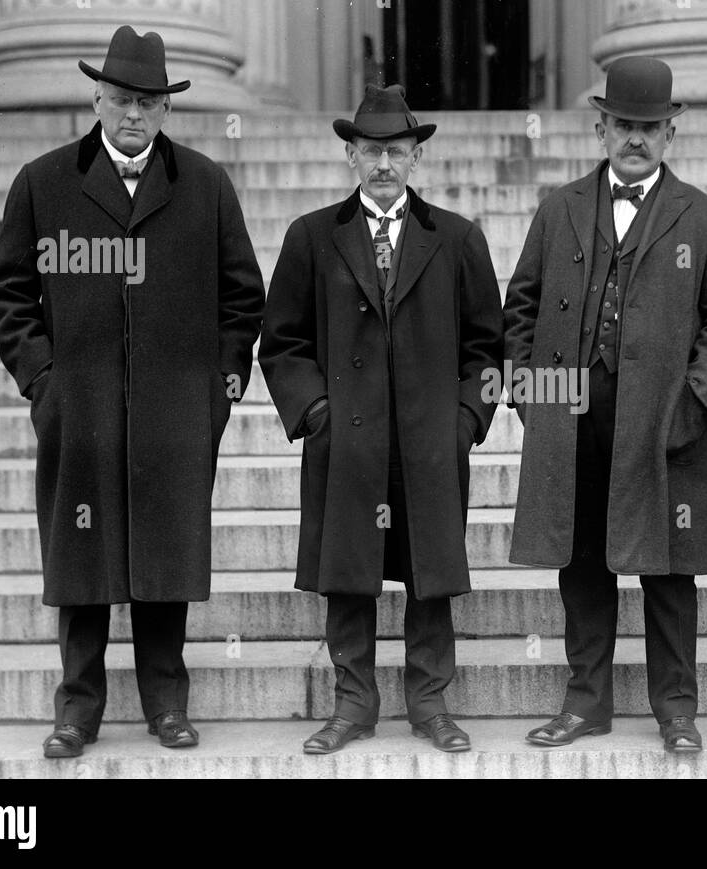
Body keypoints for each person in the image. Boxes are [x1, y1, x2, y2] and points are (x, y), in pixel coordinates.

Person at [0, 26, 265, 758]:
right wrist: (44, 383)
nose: (132, 114)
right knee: (80, 560)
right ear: (96, 99)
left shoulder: (204, 185)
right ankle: (77, 708)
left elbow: (243, 298)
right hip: (81, 408)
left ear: (166, 110)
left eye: (147, 102)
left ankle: (167, 703)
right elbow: (9, 294)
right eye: (119, 99)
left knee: (164, 560)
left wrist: (217, 392)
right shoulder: (44, 183)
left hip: (175, 412)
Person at [504, 56, 707, 753]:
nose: (635, 138)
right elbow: (519, 307)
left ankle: (676, 708)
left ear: (671, 132)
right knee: (580, 564)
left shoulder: (704, 219)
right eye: (623, 125)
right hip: (571, 417)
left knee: (668, 570)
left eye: (649, 126)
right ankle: (586, 703)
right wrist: (534, 398)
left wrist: (696, 404)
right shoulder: (558, 209)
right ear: (601, 126)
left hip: (664, 420)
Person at [260, 85, 503, 755]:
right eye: (372, 151)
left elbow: (487, 343)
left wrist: (466, 418)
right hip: (348, 440)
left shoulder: (457, 238)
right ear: (350, 155)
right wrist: (315, 413)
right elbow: (281, 341)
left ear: (416, 156)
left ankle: (429, 700)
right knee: (348, 571)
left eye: (397, 150)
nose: (385, 164)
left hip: (430, 439)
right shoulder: (312, 237)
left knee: (431, 569)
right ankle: (353, 702)